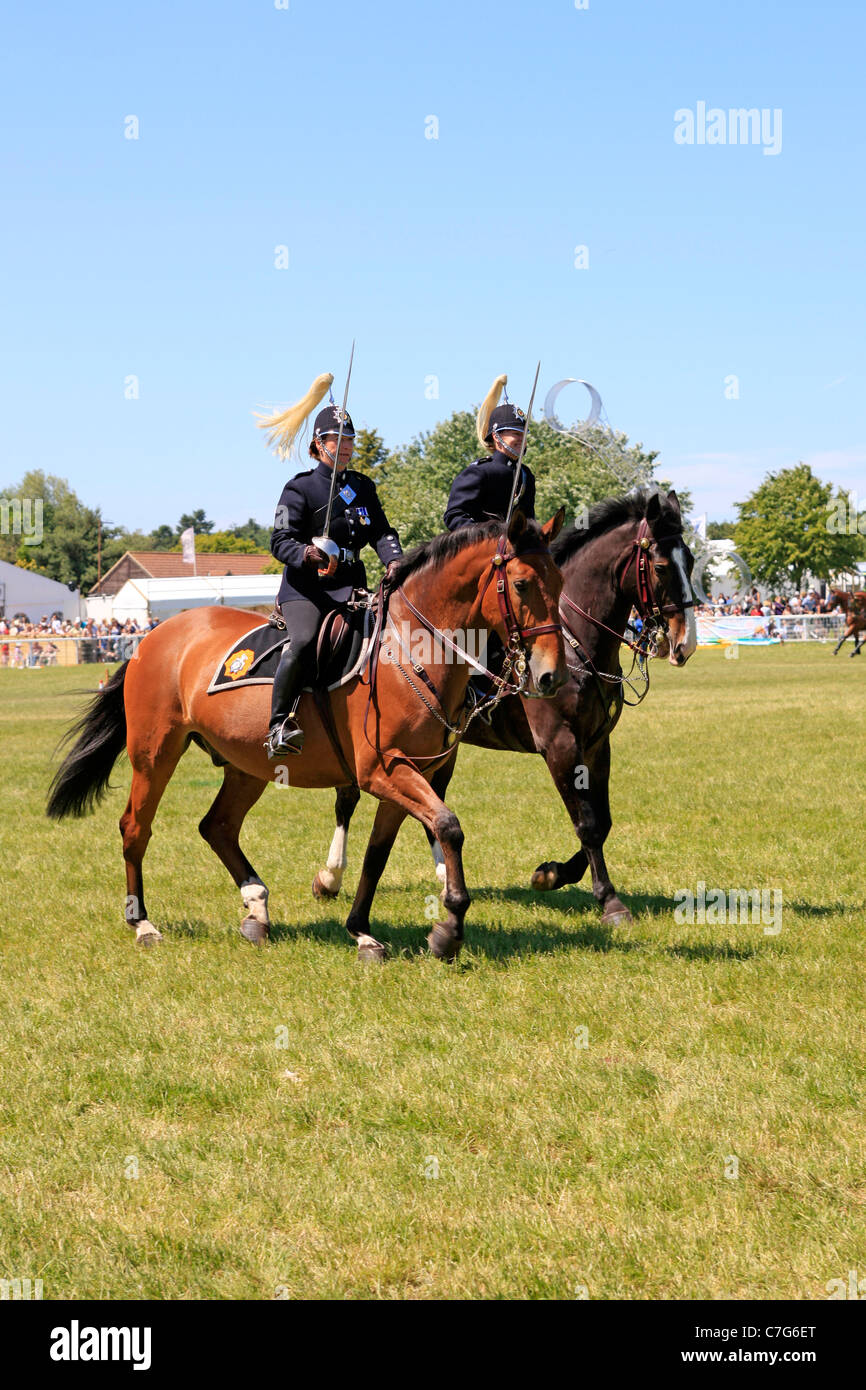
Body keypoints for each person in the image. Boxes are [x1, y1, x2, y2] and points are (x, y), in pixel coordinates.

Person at [257, 371, 403, 758]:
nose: (346, 447)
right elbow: (280, 541)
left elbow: (382, 533)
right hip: (308, 590)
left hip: (353, 585)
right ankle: (278, 725)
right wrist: (308, 554)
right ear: (318, 445)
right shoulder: (299, 488)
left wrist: (394, 561)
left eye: (350, 440)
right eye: (337, 440)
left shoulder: (362, 487)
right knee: (304, 642)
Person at [444, 373, 536, 530]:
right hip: (479, 549)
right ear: (496, 436)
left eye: (524, 434)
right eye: (516, 433)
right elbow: (455, 515)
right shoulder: (480, 472)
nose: (522, 439)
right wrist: (486, 539)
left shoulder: (525, 475)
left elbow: (528, 520)